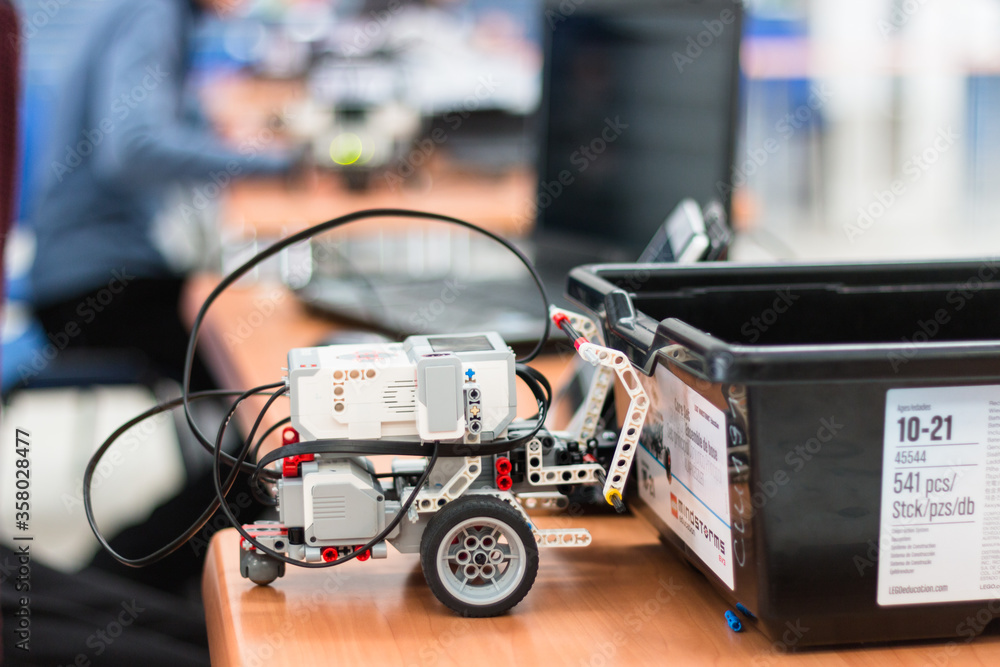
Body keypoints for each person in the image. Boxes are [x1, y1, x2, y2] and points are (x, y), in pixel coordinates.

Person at [27, 0, 300, 390]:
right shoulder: (152, 12)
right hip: (87, 294)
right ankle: (232, 449)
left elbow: (172, 116)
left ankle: (228, 447)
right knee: (258, 350)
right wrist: (278, 164)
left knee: (250, 323)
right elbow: (132, 149)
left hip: (87, 278)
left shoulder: (153, 12)